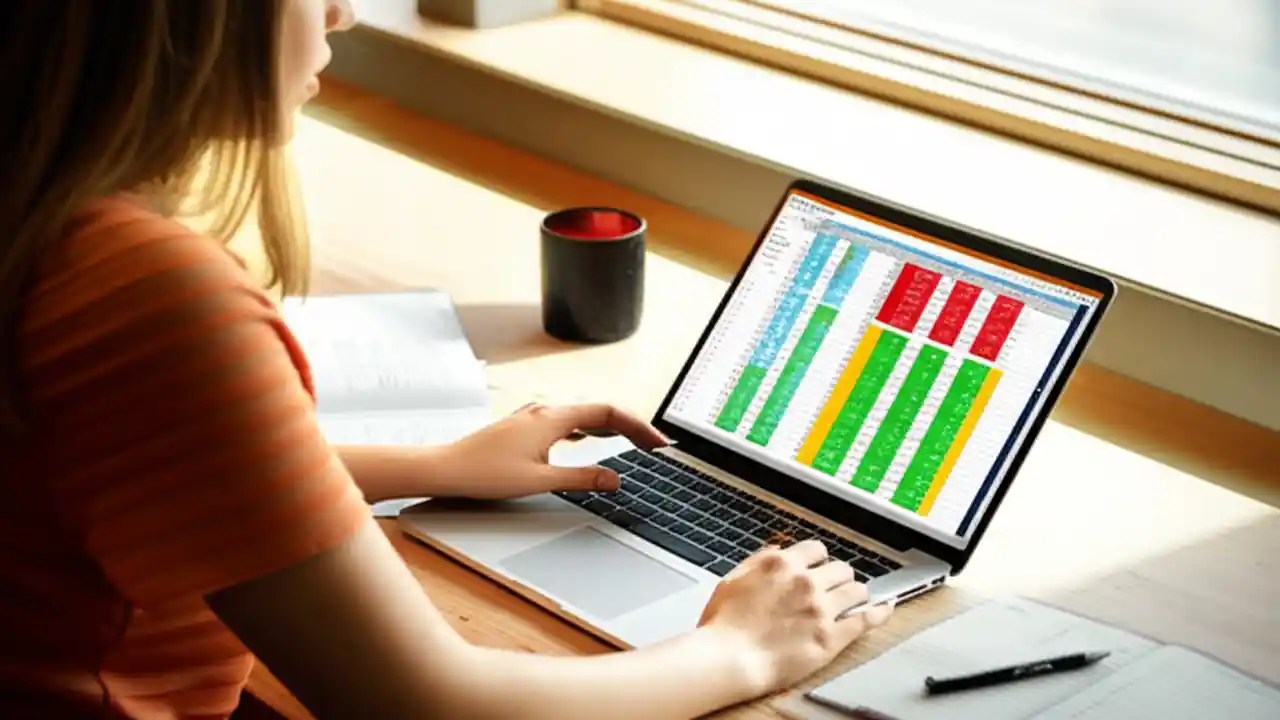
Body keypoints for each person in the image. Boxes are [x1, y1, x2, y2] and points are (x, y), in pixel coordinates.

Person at [0, 2, 893, 718]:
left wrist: (430, 467)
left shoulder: (37, 223)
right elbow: (420, 700)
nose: (343, 15)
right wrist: (741, 649)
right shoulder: (147, 295)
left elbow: (124, 469)